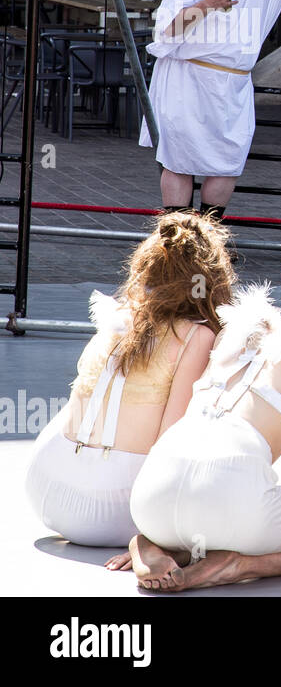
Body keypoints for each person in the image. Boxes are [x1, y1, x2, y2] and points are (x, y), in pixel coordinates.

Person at [126, 250, 281, 591]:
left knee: (206, 511)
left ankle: (149, 543)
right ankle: (236, 564)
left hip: (149, 498)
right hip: (226, 498)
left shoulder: (236, 330)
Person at [24, 213, 233, 553]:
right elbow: (173, 440)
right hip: (112, 507)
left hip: (45, 481)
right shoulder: (197, 335)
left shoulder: (119, 314)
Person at [141, 0, 281, 219]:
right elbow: (166, 33)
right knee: (179, 160)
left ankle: (210, 235)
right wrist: (207, 4)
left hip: (234, 90)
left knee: (228, 161)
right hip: (187, 85)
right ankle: (178, 239)